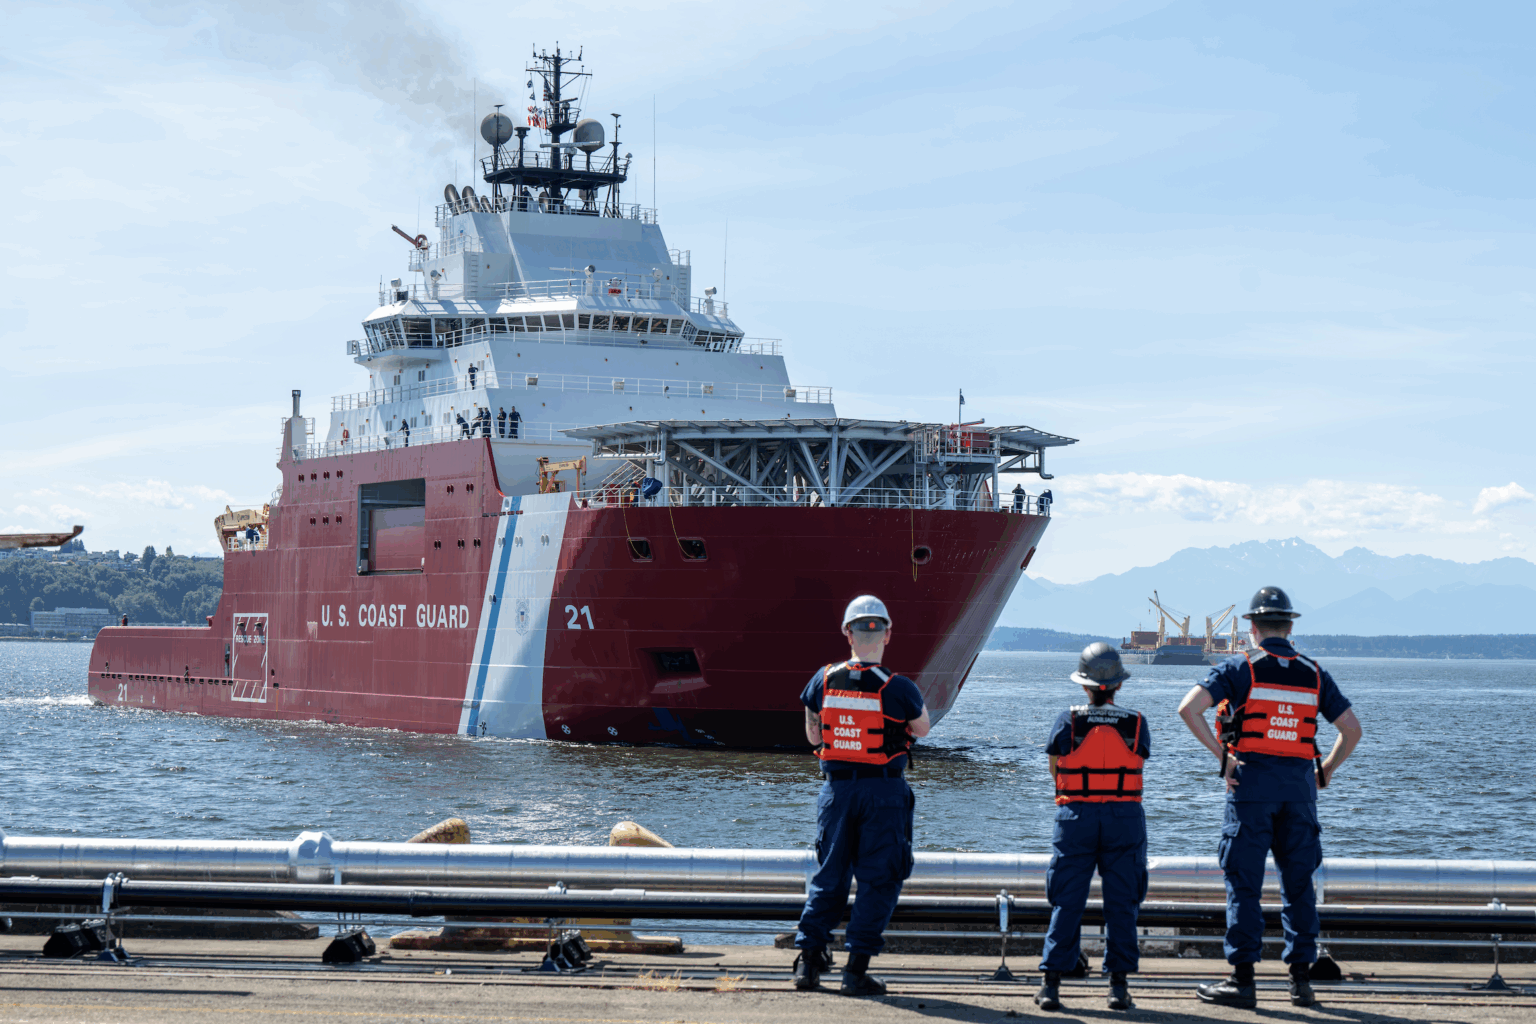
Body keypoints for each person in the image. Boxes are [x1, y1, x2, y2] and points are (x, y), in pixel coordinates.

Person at [1177, 587, 1363, 1009]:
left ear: (1253, 628)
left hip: (1251, 792)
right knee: (1298, 888)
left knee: (1244, 886)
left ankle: (1242, 982)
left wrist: (1223, 757)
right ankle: (1301, 983)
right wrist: (1325, 771)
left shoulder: (1239, 668)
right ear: (1290, 627)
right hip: (1299, 794)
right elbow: (1352, 730)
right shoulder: (1315, 674)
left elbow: (1189, 708)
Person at [792, 596, 931, 996]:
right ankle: (855, 972)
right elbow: (922, 729)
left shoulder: (821, 681)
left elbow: (813, 736)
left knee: (829, 877)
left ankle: (808, 964)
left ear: (847, 633)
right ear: (887, 634)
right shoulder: (899, 687)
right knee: (879, 880)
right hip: (884, 792)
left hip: (837, 792)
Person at [1034, 643, 1149, 1012]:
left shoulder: (1066, 721)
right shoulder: (1136, 722)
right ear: (1119, 685)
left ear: (1084, 685)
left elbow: (1055, 768)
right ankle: (1118, 987)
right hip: (1124, 818)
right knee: (1122, 903)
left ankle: (1051, 986)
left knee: (1066, 901)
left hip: (1075, 817)